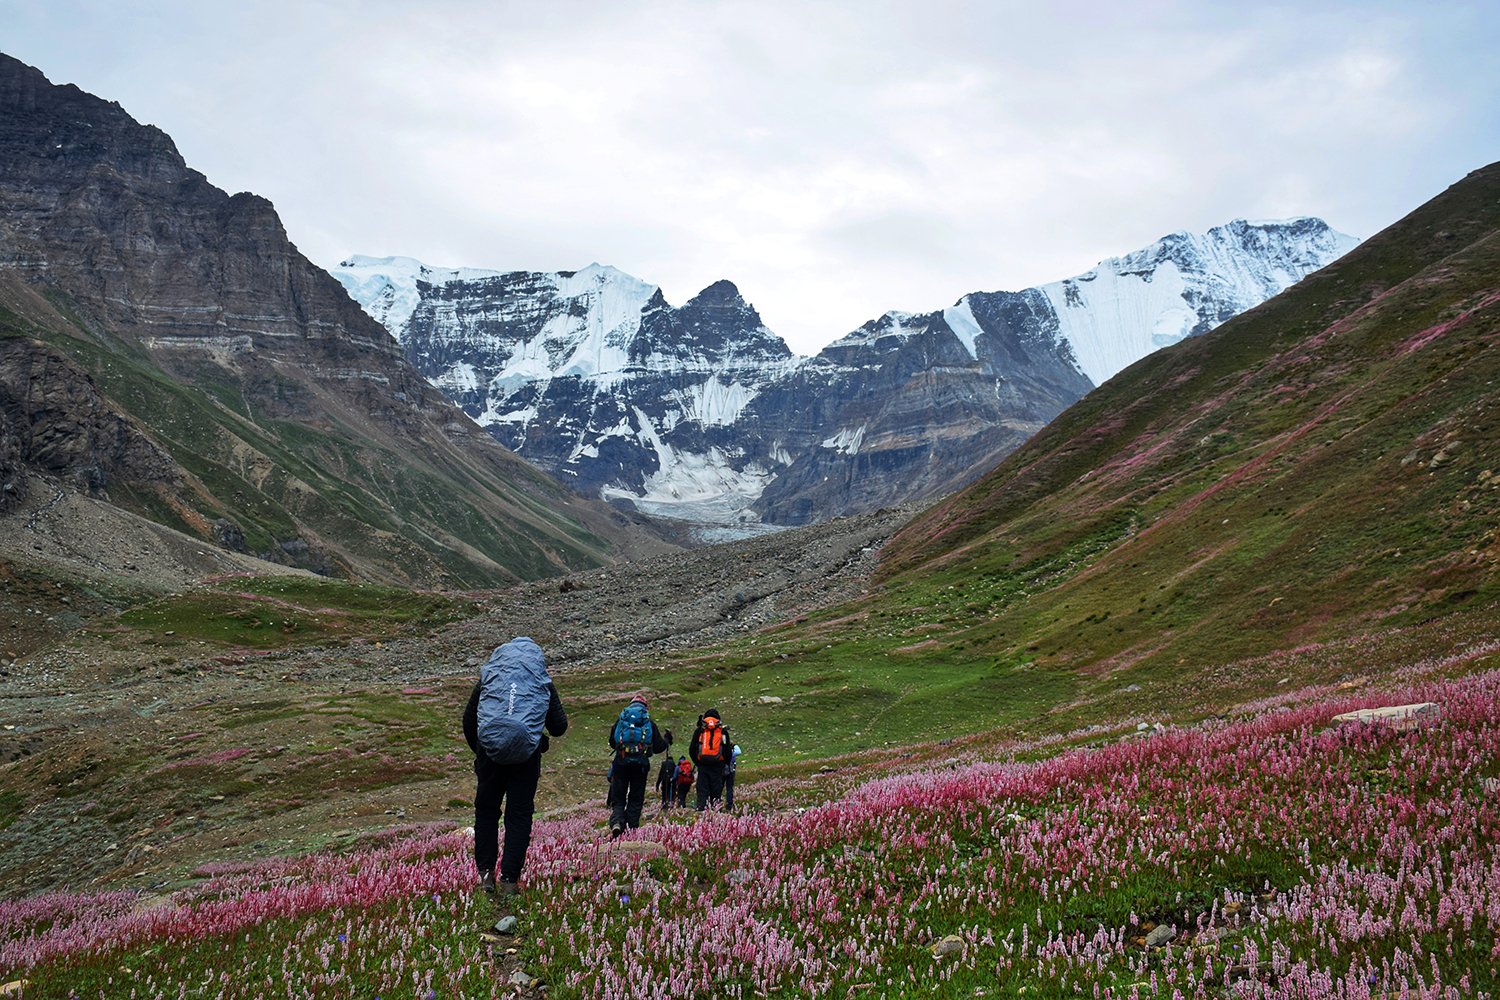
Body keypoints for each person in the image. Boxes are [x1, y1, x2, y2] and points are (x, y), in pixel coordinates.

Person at [462, 636, 567, 897]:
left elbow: (468, 720)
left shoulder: (490, 676)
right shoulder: (541, 680)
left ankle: (486, 877)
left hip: (489, 756)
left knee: (486, 813)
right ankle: (509, 880)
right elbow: (559, 727)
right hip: (526, 758)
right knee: (518, 815)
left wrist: (481, 751)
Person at [606, 694, 671, 836]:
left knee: (618, 800)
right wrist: (667, 740)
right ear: (646, 707)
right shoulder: (648, 722)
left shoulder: (621, 720)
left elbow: (612, 742)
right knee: (635, 800)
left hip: (620, 765)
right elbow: (658, 747)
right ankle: (631, 830)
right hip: (640, 767)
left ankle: (617, 822)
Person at [689, 709, 732, 812]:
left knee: (702, 792)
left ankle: (700, 813)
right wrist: (724, 763)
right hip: (717, 767)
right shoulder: (722, 732)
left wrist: (698, 762)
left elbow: (691, 749)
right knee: (716, 794)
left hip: (703, 766)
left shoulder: (700, 730)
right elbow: (728, 752)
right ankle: (716, 815)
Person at [723, 743, 741, 811]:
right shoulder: (731, 752)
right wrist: (734, 745)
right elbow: (739, 752)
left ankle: (717, 804)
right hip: (730, 772)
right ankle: (729, 805)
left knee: (719, 788)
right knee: (729, 788)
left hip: (721, 772)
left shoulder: (719, 751)